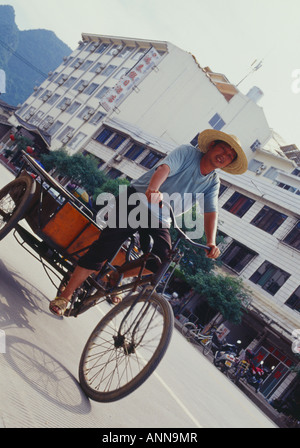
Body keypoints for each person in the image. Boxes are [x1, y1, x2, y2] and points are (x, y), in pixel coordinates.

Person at [49, 129, 248, 315]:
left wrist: (211, 242)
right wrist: (153, 188)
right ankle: (65, 296)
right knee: (103, 249)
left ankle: (117, 275)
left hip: (161, 217)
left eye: (230, 155)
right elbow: (164, 168)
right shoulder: (188, 153)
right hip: (137, 199)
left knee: (160, 261)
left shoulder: (213, 182)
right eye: (223, 148)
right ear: (212, 145)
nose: (224, 155)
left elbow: (211, 211)